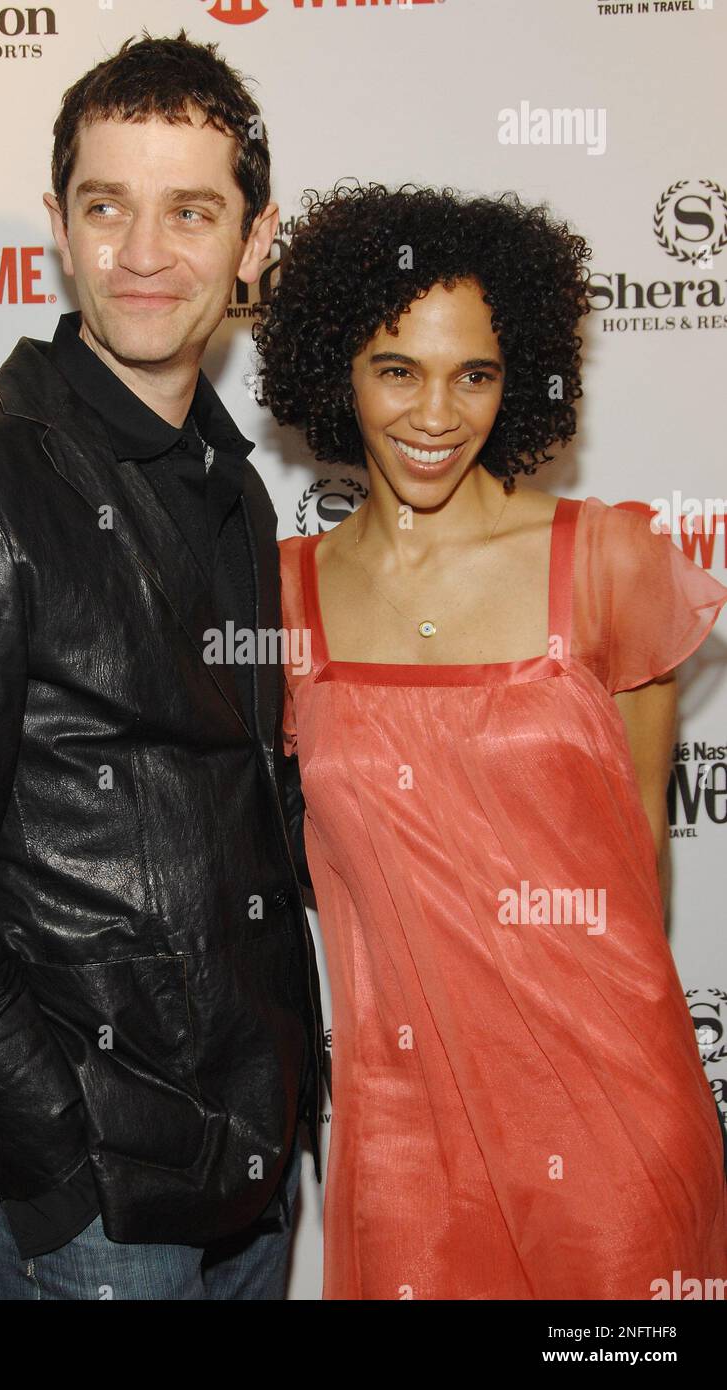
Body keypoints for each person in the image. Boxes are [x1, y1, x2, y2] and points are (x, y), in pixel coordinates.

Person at [0, 30, 325, 1301]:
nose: (145, 254)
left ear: (255, 242)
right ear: (60, 225)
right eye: (108, 207)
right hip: (99, 1203)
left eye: (191, 211)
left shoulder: (239, 495)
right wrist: (52, 1151)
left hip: (253, 1169)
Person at [253, 181, 727, 1299]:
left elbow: (640, 866)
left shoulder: (608, 562)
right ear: (336, 372)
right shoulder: (275, 601)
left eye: (475, 373)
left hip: (615, 1128)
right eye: (396, 370)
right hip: (406, 1146)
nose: (436, 414)